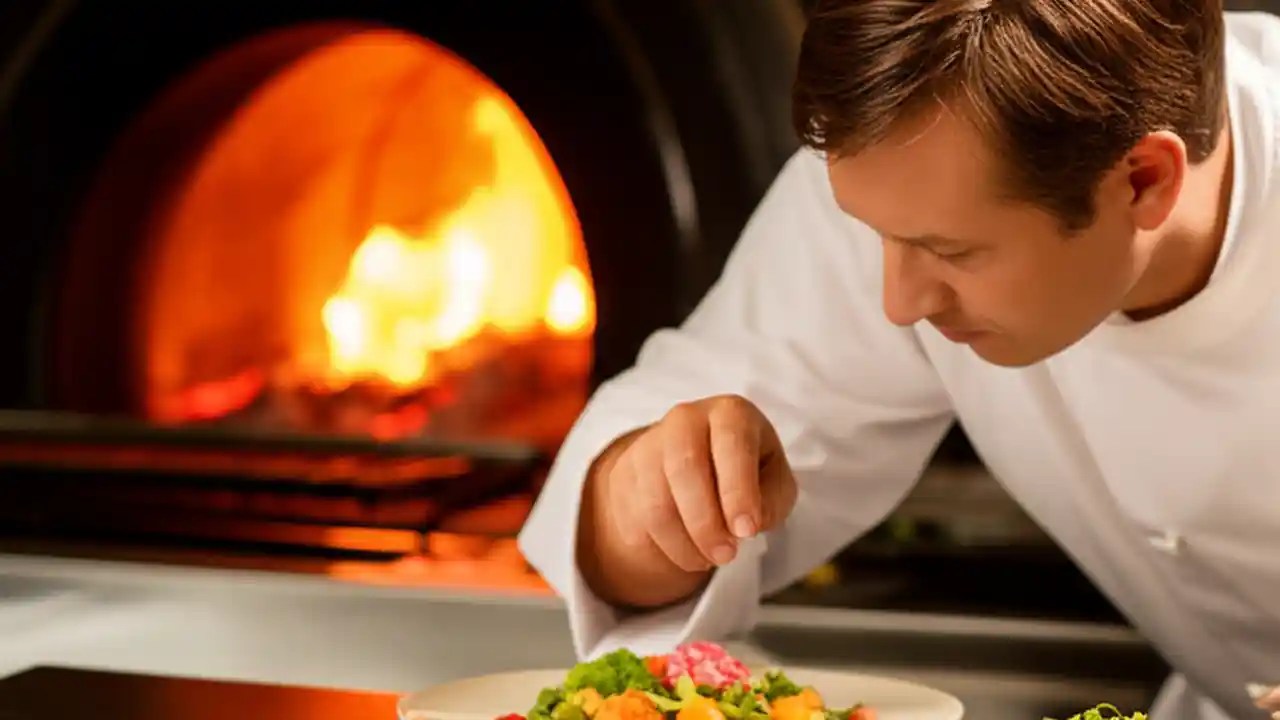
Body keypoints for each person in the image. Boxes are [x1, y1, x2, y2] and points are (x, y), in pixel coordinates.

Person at [517, 1, 1280, 718]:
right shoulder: (910, 160)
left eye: (953, 252)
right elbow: (651, 464)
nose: (898, 302)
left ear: (1144, 180)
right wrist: (646, 502)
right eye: (876, 237)